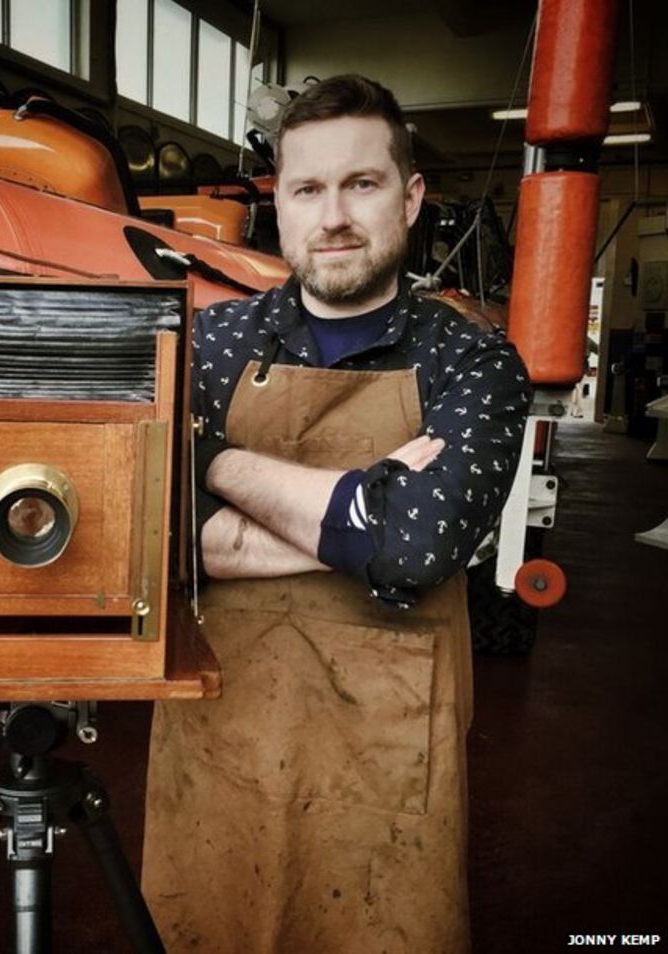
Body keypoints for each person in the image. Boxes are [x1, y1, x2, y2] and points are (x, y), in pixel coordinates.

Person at [141, 74, 531, 953]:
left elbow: (414, 550)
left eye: (363, 183)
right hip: (220, 732)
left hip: (387, 757)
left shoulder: (474, 359)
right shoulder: (211, 344)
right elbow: (150, 531)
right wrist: (357, 511)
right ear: (277, 202)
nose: (335, 217)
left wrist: (216, 469)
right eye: (307, 189)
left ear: (411, 196)